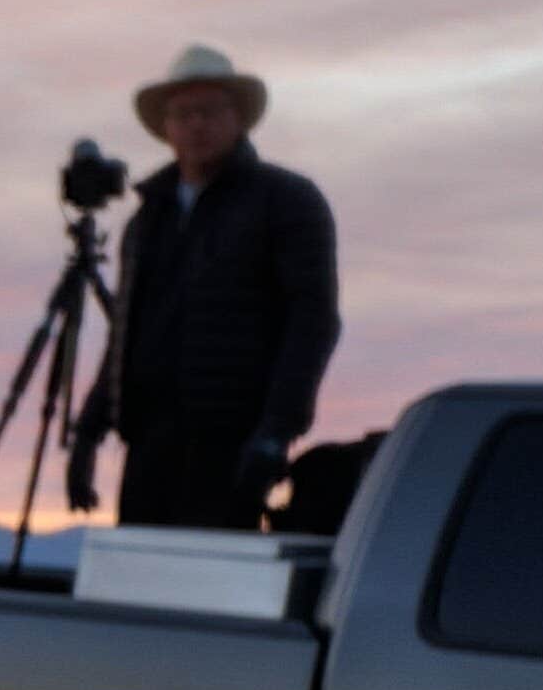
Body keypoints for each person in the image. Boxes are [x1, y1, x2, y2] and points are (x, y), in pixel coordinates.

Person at [67, 43, 340, 529]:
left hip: (233, 444)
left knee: (211, 586)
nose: (197, 124)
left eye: (211, 111)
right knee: (140, 588)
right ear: (166, 127)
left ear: (239, 119)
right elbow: (126, 335)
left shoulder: (287, 202)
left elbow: (313, 322)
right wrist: (89, 434)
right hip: (151, 442)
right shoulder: (148, 219)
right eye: (184, 114)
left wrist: (276, 430)